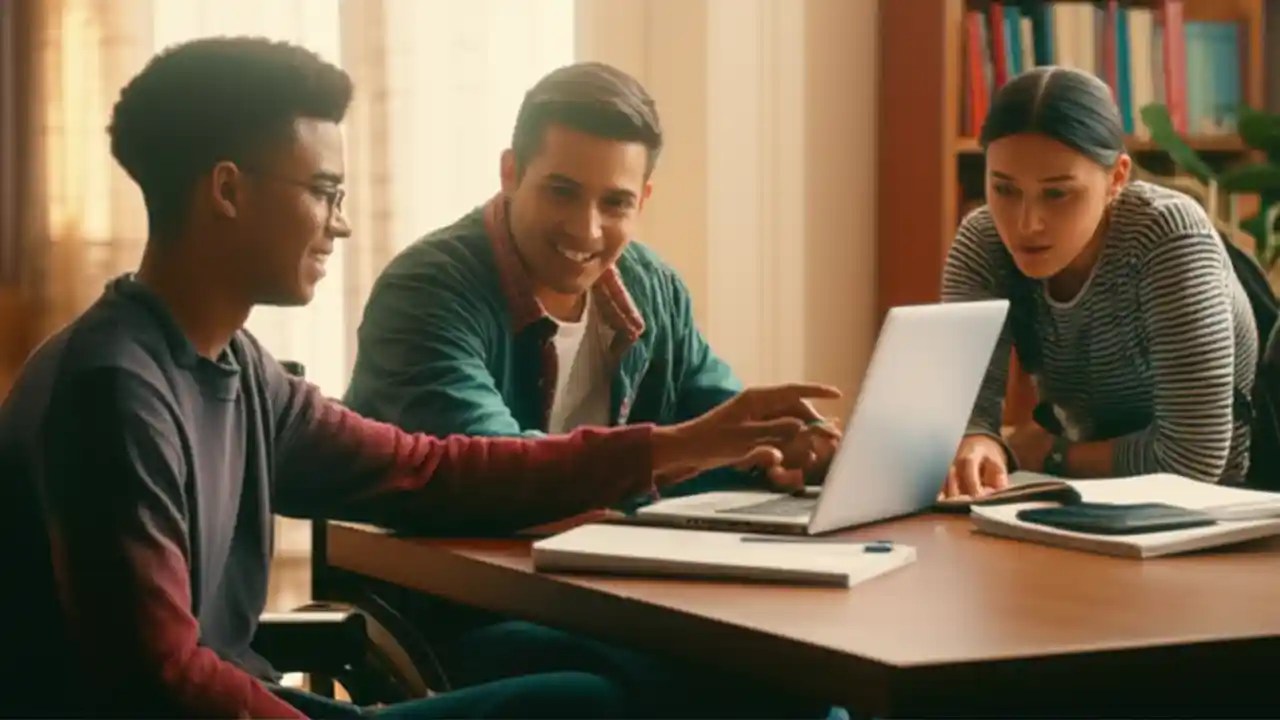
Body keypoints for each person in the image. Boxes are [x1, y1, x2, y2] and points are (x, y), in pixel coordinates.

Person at [0, 37, 841, 718]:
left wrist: (670, 447)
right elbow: (160, 679)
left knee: (657, 696)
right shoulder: (113, 391)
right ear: (226, 190)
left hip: (250, 702)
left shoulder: (235, 367)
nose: (342, 221)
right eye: (325, 191)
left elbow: (433, 467)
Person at [342, 61, 837, 498]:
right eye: (562, 192)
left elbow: (722, 437)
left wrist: (790, 452)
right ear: (510, 173)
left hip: (594, 582)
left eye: (615, 203)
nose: (587, 228)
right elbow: (493, 472)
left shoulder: (654, 289)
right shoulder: (426, 292)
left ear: (642, 200)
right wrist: (694, 447)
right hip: (451, 592)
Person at [939, 65, 1258, 500]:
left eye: (1057, 193)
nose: (1026, 223)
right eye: (1005, 189)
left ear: (1117, 178)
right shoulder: (983, 240)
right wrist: (978, 442)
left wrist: (1052, 456)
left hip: (1217, 512)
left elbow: (1193, 459)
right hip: (1078, 500)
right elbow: (965, 416)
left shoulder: (1168, 236)